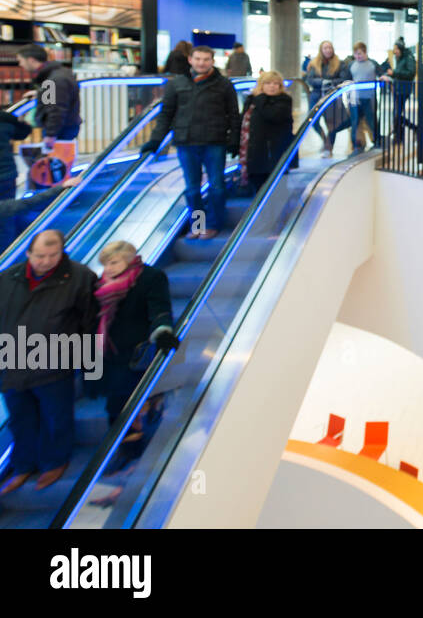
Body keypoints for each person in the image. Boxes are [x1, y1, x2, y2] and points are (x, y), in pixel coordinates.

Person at [0, 229, 97, 494]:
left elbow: (90, 323)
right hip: (11, 363)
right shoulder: (7, 278)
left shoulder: (80, 277)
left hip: (54, 363)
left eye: (53, 255)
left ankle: (55, 462)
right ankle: (23, 466)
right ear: (28, 253)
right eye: (40, 255)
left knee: (57, 417)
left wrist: (90, 366)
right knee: (21, 418)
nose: (46, 261)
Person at [88, 240, 177, 470]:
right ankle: (130, 443)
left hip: (136, 354)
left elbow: (160, 309)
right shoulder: (101, 284)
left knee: (121, 404)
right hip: (110, 354)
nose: (108, 268)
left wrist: (163, 331)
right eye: (105, 264)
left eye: (113, 263)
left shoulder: (151, 277)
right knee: (117, 404)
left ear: (129, 259)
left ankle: (132, 450)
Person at [140, 45, 240, 240]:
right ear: (190, 60)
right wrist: (155, 140)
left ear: (212, 61)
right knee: (192, 188)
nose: (201, 63)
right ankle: (198, 225)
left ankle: (212, 224)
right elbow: (166, 115)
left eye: (205, 59)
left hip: (215, 141)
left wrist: (234, 140)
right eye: (198, 59)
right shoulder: (177, 84)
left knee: (217, 186)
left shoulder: (224, 85)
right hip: (187, 142)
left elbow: (234, 115)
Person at [17, 45, 80, 154]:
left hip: (60, 131)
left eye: (21, 61)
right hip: (64, 128)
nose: (20, 64)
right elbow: (59, 97)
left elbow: (56, 109)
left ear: (31, 60)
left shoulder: (54, 79)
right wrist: (41, 93)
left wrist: (51, 135)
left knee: (54, 166)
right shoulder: (57, 75)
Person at [239, 71, 294, 192]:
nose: (272, 86)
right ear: (261, 84)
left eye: (276, 83)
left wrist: (260, 98)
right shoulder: (251, 100)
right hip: (254, 152)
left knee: (276, 190)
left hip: (274, 154)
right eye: (268, 83)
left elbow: (272, 115)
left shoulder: (284, 101)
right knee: (257, 186)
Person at [306, 42, 348, 156]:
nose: (328, 50)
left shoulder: (340, 64)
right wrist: (323, 82)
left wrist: (330, 83)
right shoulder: (313, 63)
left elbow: (344, 78)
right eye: (325, 48)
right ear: (321, 49)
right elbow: (309, 79)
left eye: (329, 47)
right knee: (313, 121)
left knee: (331, 123)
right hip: (316, 96)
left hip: (332, 96)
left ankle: (329, 147)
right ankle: (325, 140)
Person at [345, 42, 380, 154]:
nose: (357, 56)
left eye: (359, 53)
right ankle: (357, 144)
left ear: (365, 52)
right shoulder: (351, 65)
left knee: (371, 121)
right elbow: (347, 79)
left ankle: (377, 142)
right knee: (355, 122)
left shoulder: (373, 63)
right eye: (355, 54)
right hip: (354, 99)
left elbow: (381, 73)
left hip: (369, 98)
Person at [382, 40, 416, 145]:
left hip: (403, 90)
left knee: (397, 114)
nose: (394, 51)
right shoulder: (399, 59)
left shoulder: (408, 58)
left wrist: (395, 72)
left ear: (400, 49)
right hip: (398, 89)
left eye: (396, 48)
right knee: (396, 114)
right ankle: (399, 135)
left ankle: (407, 131)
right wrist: (390, 75)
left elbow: (411, 73)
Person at [0, 107, 32, 201]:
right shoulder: (5, 118)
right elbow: (23, 132)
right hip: (6, 173)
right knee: (9, 209)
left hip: (6, 172)